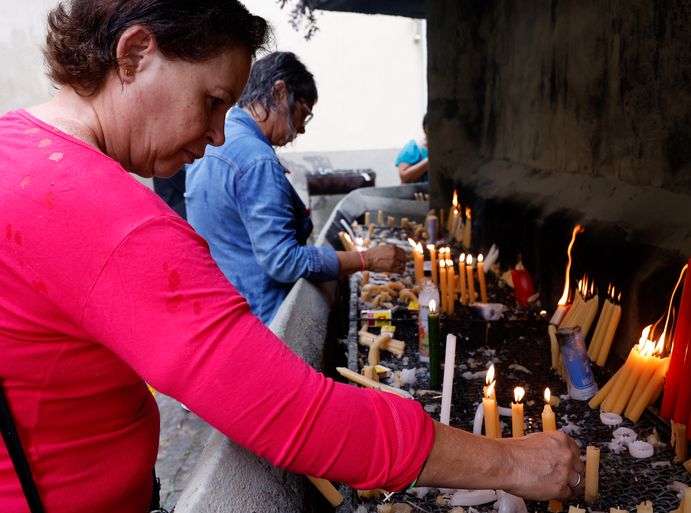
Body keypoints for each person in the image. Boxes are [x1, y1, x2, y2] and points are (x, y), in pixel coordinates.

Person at [0, 1, 583, 511]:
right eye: (211, 102)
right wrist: (510, 464)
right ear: (134, 56)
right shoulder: (101, 212)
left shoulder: (16, 144)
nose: (218, 136)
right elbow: (297, 416)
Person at [186, 52, 404, 324]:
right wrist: (366, 259)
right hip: (264, 319)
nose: (300, 129)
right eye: (303, 113)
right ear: (279, 91)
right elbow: (284, 262)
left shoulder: (216, 141)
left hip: (223, 310)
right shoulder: (257, 160)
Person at [395, 113, 429, 183]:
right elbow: (404, 178)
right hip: (418, 193)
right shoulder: (413, 148)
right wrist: (429, 162)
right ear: (427, 129)